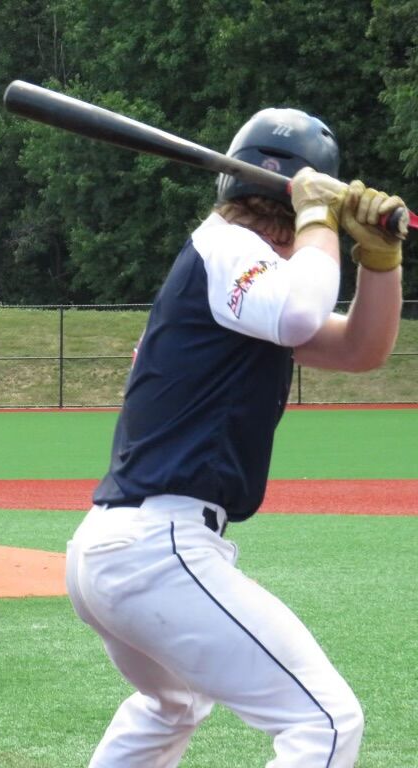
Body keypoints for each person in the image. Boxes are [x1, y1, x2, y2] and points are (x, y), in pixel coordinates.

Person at [66, 108, 407, 767]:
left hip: (120, 547)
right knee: (327, 723)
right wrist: (318, 221)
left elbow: (362, 349)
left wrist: (380, 258)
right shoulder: (228, 249)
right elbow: (302, 308)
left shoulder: (240, 281)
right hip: (156, 549)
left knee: (174, 704)